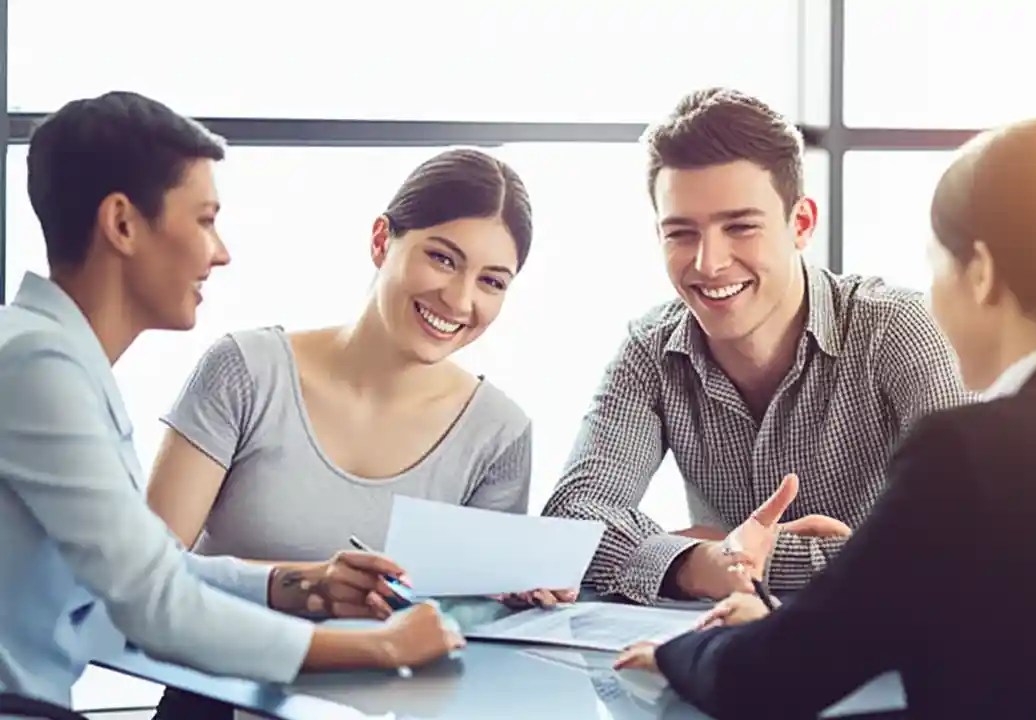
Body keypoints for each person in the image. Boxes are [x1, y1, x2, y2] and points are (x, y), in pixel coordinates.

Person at [613, 119, 1036, 719]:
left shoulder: (972, 452)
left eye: (935, 266)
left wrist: (677, 655)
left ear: (979, 274)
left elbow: (781, 677)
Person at [0, 91, 462, 710]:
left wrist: (296, 586)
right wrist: (382, 647)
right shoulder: (39, 368)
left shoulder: (46, 355)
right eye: (204, 219)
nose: (220, 252)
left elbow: (146, 566)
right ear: (122, 224)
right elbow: (154, 604)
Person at [143, 149, 574, 718]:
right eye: (443, 259)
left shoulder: (501, 431)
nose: (460, 300)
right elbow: (142, 569)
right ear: (381, 241)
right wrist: (308, 583)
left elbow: (464, 634)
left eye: (492, 281)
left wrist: (511, 597)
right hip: (221, 695)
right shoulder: (247, 370)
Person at [541, 87, 972, 605]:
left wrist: (741, 556)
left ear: (802, 224)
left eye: (740, 227)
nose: (708, 263)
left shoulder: (896, 328)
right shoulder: (650, 349)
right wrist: (696, 563)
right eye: (681, 233)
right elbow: (573, 521)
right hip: (721, 659)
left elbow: (965, 533)